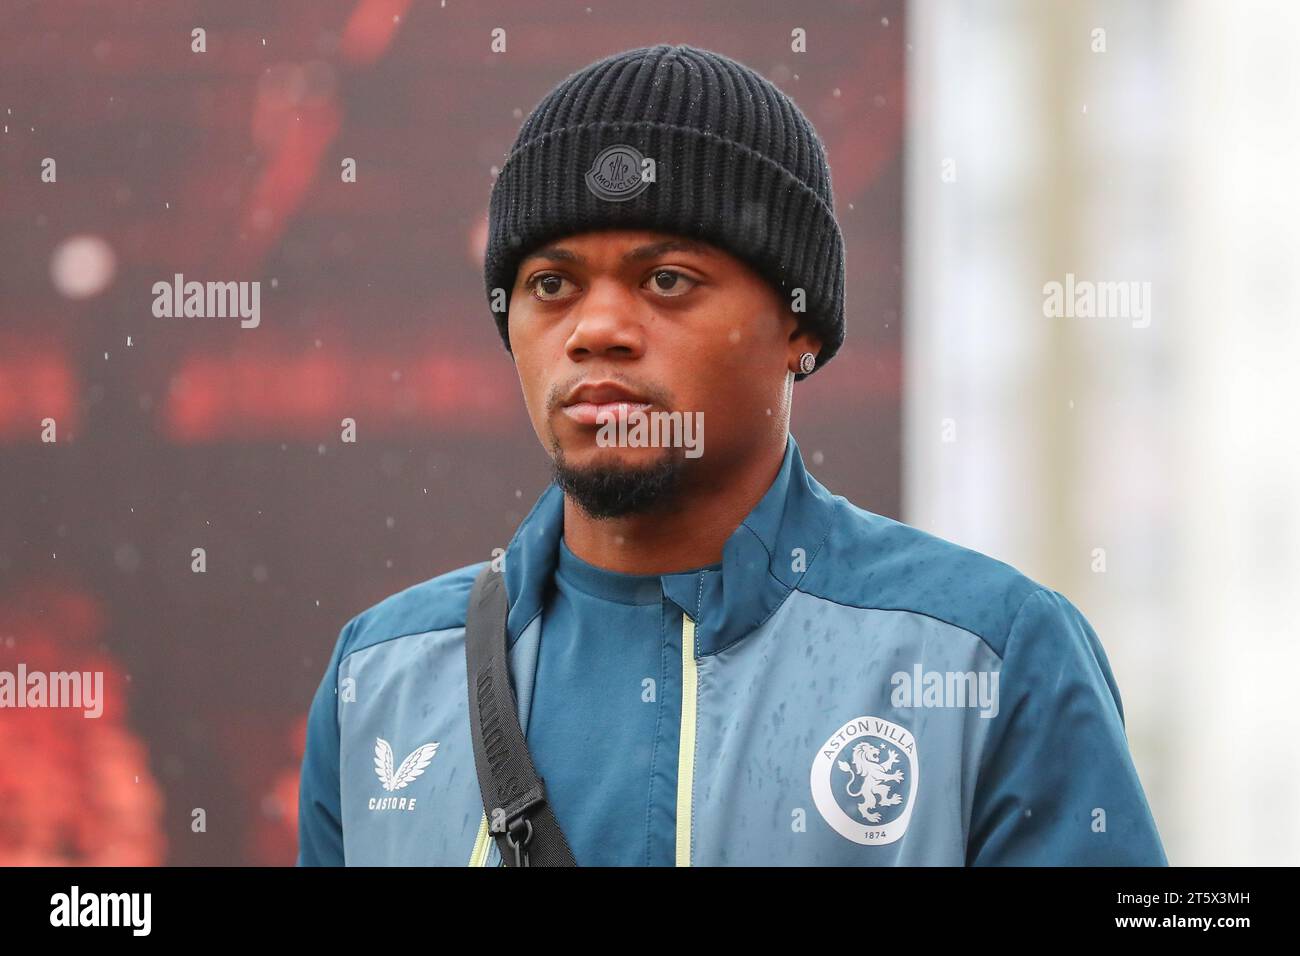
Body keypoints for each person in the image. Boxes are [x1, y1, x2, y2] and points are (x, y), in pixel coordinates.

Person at [297, 43, 1167, 866]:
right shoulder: (382, 676)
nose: (596, 329)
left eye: (667, 279)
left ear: (799, 325)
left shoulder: (984, 654)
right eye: (551, 285)